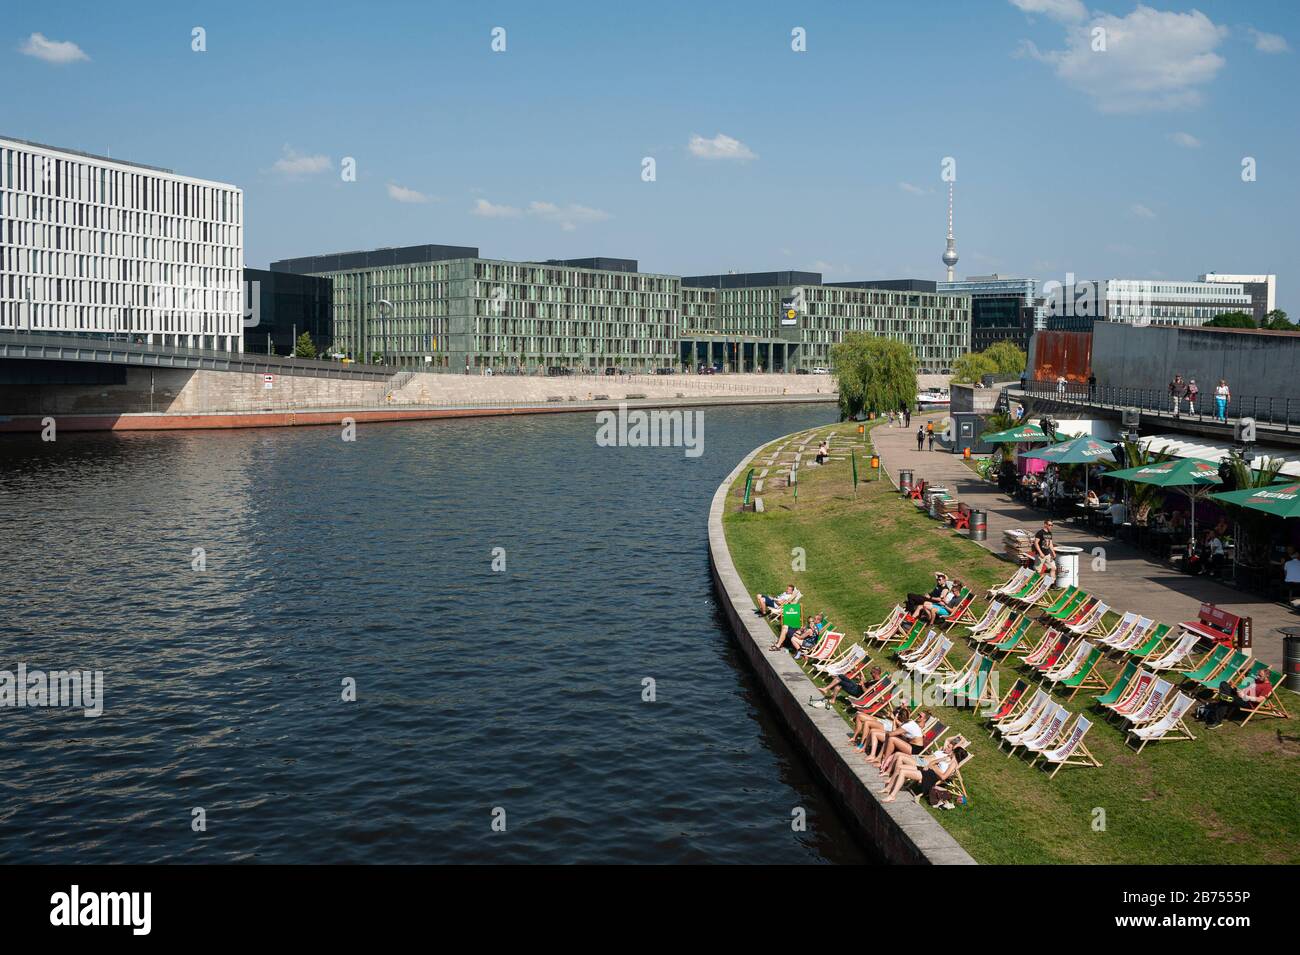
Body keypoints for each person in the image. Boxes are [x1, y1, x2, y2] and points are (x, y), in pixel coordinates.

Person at [880, 735, 968, 805]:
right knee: (900, 768)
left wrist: (934, 767)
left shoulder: (953, 764)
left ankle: (892, 796)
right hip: (928, 771)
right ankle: (888, 788)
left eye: (953, 751)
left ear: (955, 753)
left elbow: (943, 777)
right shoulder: (948, 758)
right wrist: (937, 762)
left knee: (903, 772)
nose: (951, 752)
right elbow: (932, 763)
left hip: (930, 777)